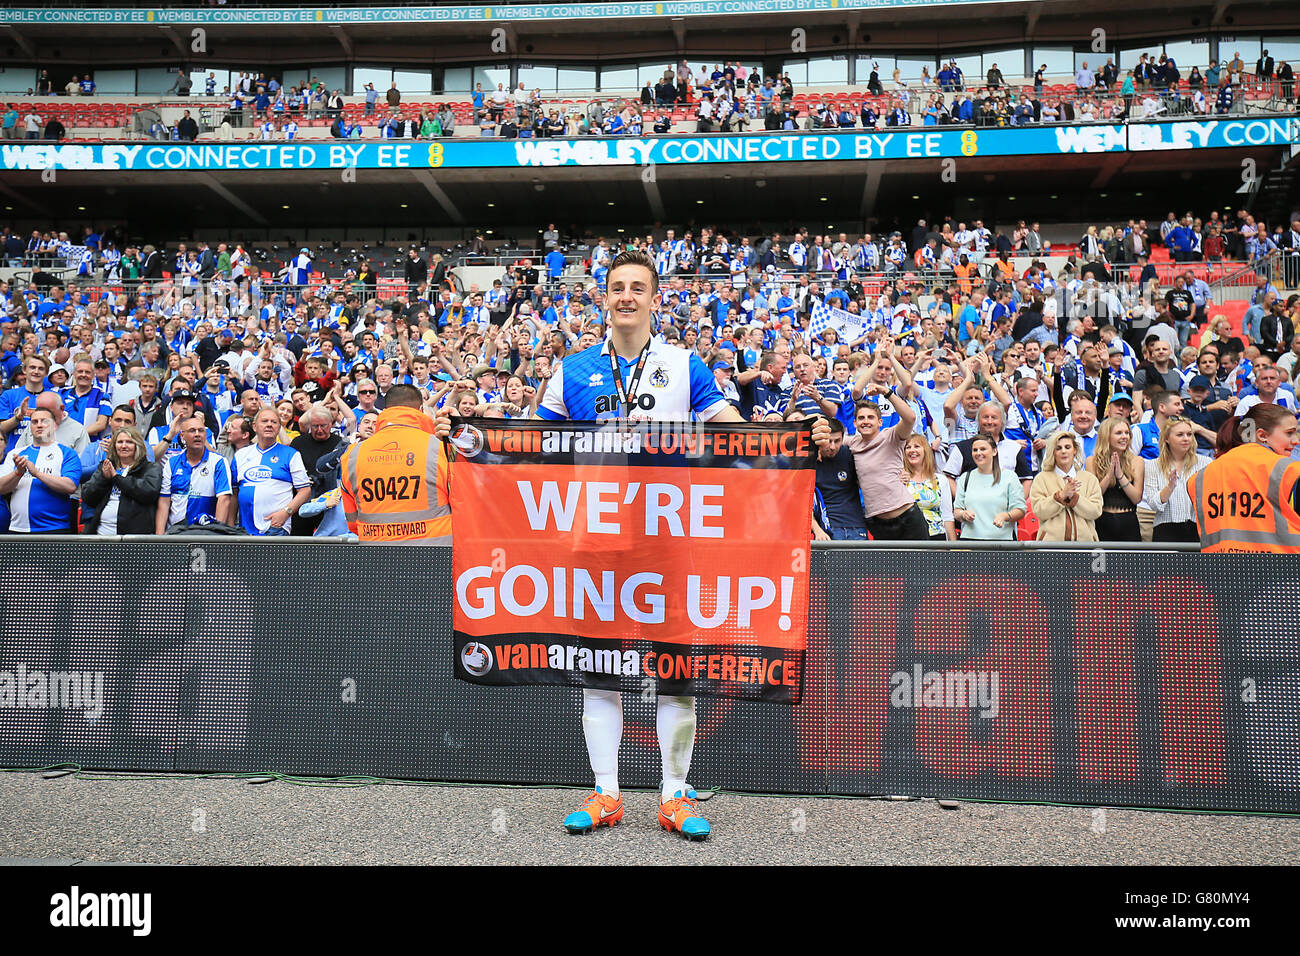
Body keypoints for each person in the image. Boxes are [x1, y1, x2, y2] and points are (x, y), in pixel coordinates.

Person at [436, 248, 743, 841]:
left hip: (666, 531)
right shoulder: (572, 370)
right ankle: (606, 793)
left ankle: (674, 796)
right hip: (595, 531)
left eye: (637, 287)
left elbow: (732, 427)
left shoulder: (684, 365)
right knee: (600, 668)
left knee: (675, 668)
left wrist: (773, 434)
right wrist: (474, 438)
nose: (626, 296)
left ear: (655, 298)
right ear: (604, 297)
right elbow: (530, 444)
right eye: (617, 287)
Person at [339, 385, 450, 544]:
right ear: (420, 409)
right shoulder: (440, 450)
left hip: (375, 554)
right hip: (431, 556)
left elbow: (352, 521)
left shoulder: (352, 455)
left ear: (384, 411)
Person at [1190, 404, 1300, 552]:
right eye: (1289, 433)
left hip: (1221, 571)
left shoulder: (1200, 477)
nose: (1296, 441)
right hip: (1280, 570)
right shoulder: (1289, 470)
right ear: (1262, 435)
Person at [231, 407, 311, 535]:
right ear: (254, 426)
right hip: (244, 529)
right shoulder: (240, 455)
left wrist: (286, 513)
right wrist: (230, 526)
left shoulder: (291, 454)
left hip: (276, 527)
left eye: (274, 422)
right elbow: (234, 494)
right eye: (264, 421)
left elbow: (305, 490)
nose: (269, 425)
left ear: (279, 428)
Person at [0, 407, 81, 533]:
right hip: (18, 528)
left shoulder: (67, 453)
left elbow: (70, 486)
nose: (39, 425)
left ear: (54, 425)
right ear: (30, 427)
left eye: (44, 421)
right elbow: (2, 488)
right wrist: (18, 473)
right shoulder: (16, 453)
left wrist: (37, 473)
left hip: (55, 529)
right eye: (34, 422)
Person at [156, 414, 233, 531]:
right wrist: (159, 536)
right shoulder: (171, 463)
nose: (197, 434)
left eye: (201, 431)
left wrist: (217, 535)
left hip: (206, 533)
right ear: (182, 436)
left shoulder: (219, 462)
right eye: (192, 431)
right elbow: (164, 501)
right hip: (174, 534)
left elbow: (224, 499)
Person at [79, 427, 162, 535]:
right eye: (120, 442)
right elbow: (88, 496)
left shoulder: (150, 468)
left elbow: (148, 492)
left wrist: (116, 477)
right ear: (114, 446)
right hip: (102, 533)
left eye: (129, 442)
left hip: (134, 537)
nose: (123, 446)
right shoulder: (107, 466)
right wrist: (104, 479)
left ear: (137, 445)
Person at [1142, 416, 1208, 542]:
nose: (1186, 439)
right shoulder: (1153, 466)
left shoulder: (1205, 463)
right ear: (1167, 439)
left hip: (1196, 528)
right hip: (1165, 529)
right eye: (1180, 435)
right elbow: (1153, 504)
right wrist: (1169, 488)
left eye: (1189, 434)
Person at [1029, 432, 1103, 541]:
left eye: (1067, 447)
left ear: (1075, 450)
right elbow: (1039, 511)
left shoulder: (1089, 479)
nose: (1063, 451)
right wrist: (1061, 496)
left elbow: (1096, 511)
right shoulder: (1041, 478)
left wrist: (1074, 498)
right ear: (1053, 453)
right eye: (1058, 448)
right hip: (1051, 548)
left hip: (1085, 546)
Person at [952, 433, 1026, 540]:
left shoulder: (1009, 477)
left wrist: (1005, 516)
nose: (978, 453)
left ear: (994, 451)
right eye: (975, 450)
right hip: (970, 541)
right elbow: (957, 511)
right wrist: (963, 514)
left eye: (983, 449)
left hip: (1002, 542)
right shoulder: (965, 477)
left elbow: (1020, 509)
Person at [1086, 416, 1145, 541]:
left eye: (1127, 433)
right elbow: (1093, 496)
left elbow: (1136, 498)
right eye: (1119, 433)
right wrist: (1109, 476)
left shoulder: (1137, 461)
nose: (1124, 437)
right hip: (1101, 521)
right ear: (1106, 436)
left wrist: (1120, 476)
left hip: (1128, 521)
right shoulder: (1092, 461)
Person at [901, 433, 954, 540]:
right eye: (908, 447)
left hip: (936, 537)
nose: (912, 450)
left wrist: (954, 548)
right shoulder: (900, 480)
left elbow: (947, 516)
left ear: (925, 450)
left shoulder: (940, 480)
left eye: (917, 446)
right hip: (908, 538)